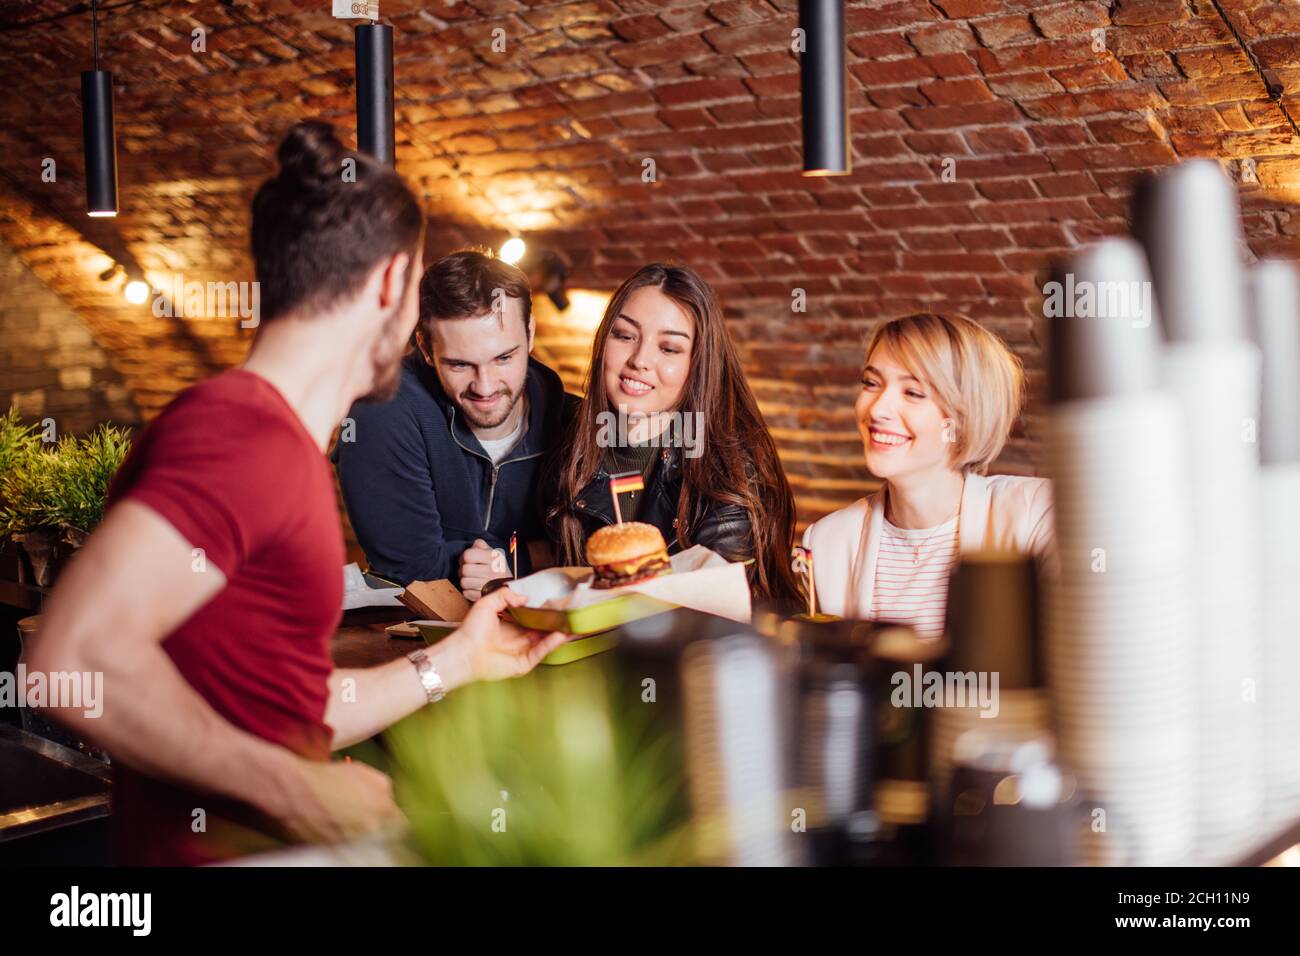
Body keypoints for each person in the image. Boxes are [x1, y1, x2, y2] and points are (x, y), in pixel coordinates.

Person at [29, 121, 566, 866]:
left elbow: (282, 707)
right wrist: (293, 789)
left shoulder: (279, 444)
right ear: (389, 286)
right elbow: (68, 663)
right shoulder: (242, 437)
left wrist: (460, 660)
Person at [545, 263, 800, 608]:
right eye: (625, 335)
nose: (640, 359)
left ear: (698, 364)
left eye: (669, 348)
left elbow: (715, 606)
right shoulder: (569, 440)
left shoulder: (731, 469)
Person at [334, 249, 576, 599]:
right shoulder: (377, 412)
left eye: (504, 357)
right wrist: (534, 556)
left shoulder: (569, 417)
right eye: (460, 365)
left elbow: (590, 547)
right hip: (417, 636)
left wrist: (507, 561)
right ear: (426, 349)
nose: (486, 385)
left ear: (531, 334)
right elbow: (410, 569)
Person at [802, 313, 1053, 635]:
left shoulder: (1036, 515)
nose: (877, 409)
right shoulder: (825, 541)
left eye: (913, 393)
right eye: (871, 383)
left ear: (963, 416)